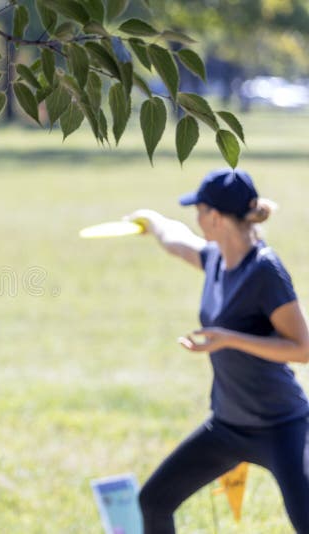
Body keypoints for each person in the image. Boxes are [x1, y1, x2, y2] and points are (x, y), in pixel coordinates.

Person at [127, 169, 309, 533]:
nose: (194, 217)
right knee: (154, 501)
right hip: (227, 425)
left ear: (216, 217)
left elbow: (302, 348)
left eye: (199, 209)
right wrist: (153, 222)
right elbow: (178, 241)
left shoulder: (264, 271)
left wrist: (230, 339)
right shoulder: (215, 261)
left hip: (282, 425)